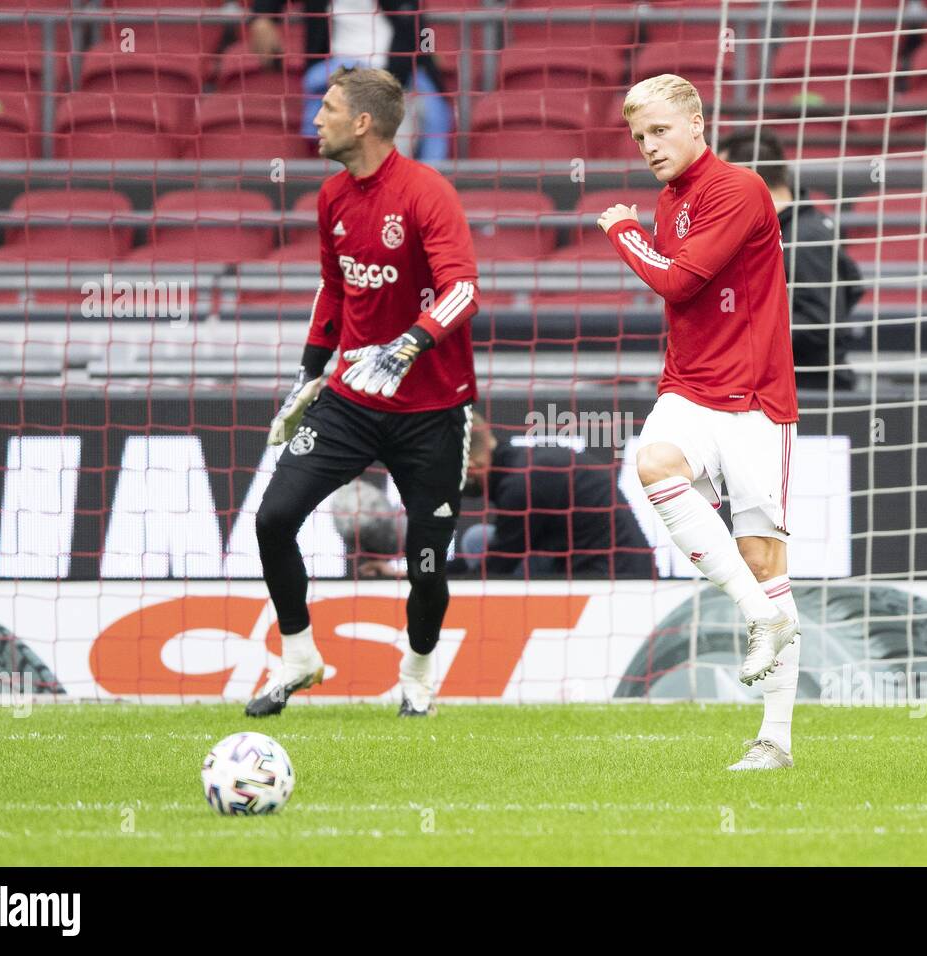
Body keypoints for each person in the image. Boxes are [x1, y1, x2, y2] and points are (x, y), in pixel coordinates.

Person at [248, 66, 479, 719]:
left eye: (326, 108)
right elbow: (335, 289)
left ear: (363, 122)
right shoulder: (330, 198)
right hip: (351, 399)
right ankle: (299, 658)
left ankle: (418, 674)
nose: (313, 119)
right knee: (273, 519)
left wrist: (408, 344)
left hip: (432, 410)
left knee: (427, 562)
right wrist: (309, 371)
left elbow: (464, 290)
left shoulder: (428, 194)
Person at [597, 74, 805, 771]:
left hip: (753, 399)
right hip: (689, 386)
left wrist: (622, 229)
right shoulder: (670, 199)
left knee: (765, 561)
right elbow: (685, 290)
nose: (648, 147)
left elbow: (679, 281)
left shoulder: (738, 188)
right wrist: (640, 224)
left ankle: (774, 740)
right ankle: (760, 614)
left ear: (695, 122)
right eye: (638, 137)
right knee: (652, 464)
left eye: (659, 131)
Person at [717, 129, 862, 393]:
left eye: (721, 180)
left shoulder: (805, 237)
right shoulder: (779, 230)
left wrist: (742, 332)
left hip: (809, 395)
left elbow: (821, 324)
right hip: (785, 390)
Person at [457, 412, 655, 579]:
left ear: (472, 466)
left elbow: (497, 568)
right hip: (616, 563)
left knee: (480, 546)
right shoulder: (525, 462)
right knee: (478, 538)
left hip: (608, 578)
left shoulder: (521, 483)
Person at [247, 0, 453, 160]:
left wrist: (387, 86)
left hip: (396, 76)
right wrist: (262, 16)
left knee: (403, 132)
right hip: (338, 72)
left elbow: (409, 33)